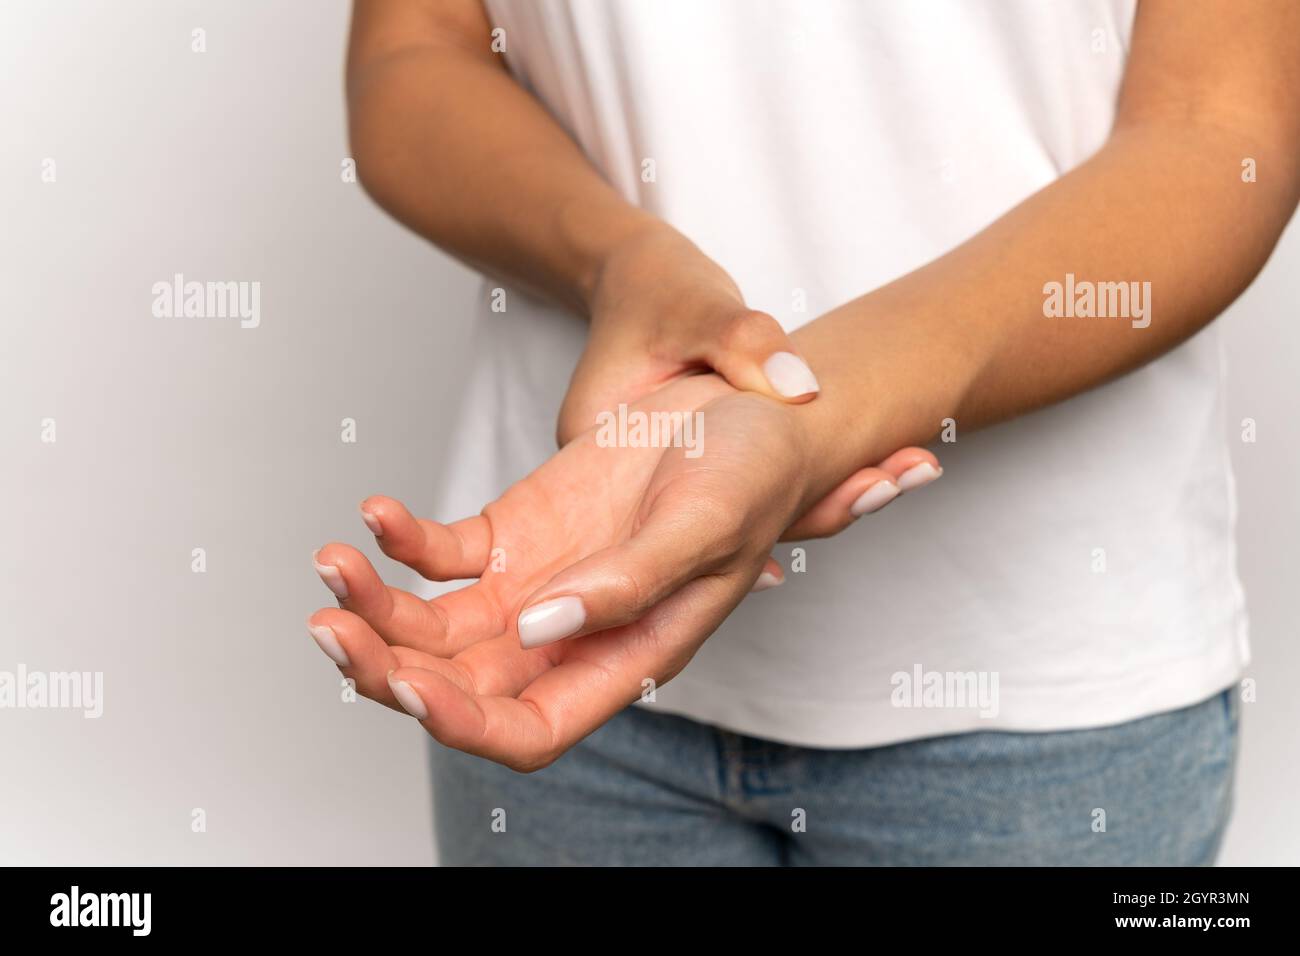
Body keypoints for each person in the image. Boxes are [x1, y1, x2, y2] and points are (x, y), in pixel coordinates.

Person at [307, 0, 1300, 865]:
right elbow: (417, 49)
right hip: (551, 624)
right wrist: (620, 266)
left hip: (1045, 702)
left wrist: (808, 412)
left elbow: (1219, 131)